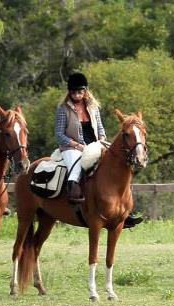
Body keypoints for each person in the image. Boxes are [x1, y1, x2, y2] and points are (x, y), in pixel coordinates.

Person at [54, 72, 143, 228]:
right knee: (75, 165)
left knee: (119, 165)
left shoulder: (93, 108)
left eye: (80, 91)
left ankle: (123, 210)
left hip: (94, 144)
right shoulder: (63, 109)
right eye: (74, 92)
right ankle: (73, 195)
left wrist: (102, 140)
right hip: (71, 147)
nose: (77, 95)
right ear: (69, 92)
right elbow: (59, 134)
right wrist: (77, 145)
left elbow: (100, 128)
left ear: (85, 91)